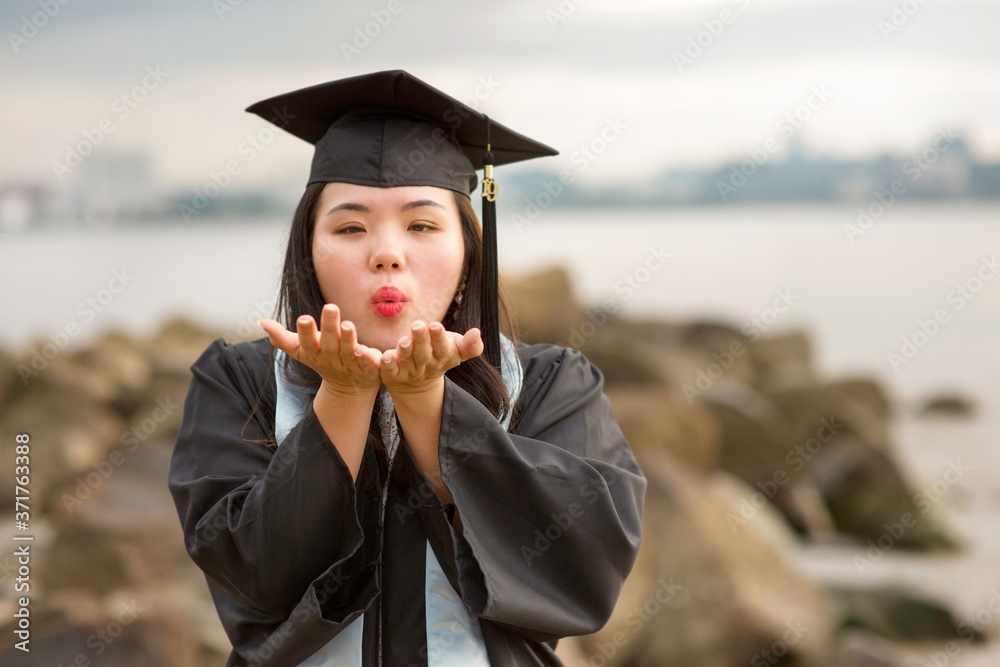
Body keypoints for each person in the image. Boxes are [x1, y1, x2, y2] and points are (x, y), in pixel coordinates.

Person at [168, 70, 646, 667]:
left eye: (422, 225)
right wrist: (342, 395)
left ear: (470, 251)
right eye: (349, 226)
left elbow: (585, 574)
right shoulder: (240, 382)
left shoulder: (551, 385)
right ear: (307, 252)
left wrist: (428, 402)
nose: (387, 253)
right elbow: (254, 578)